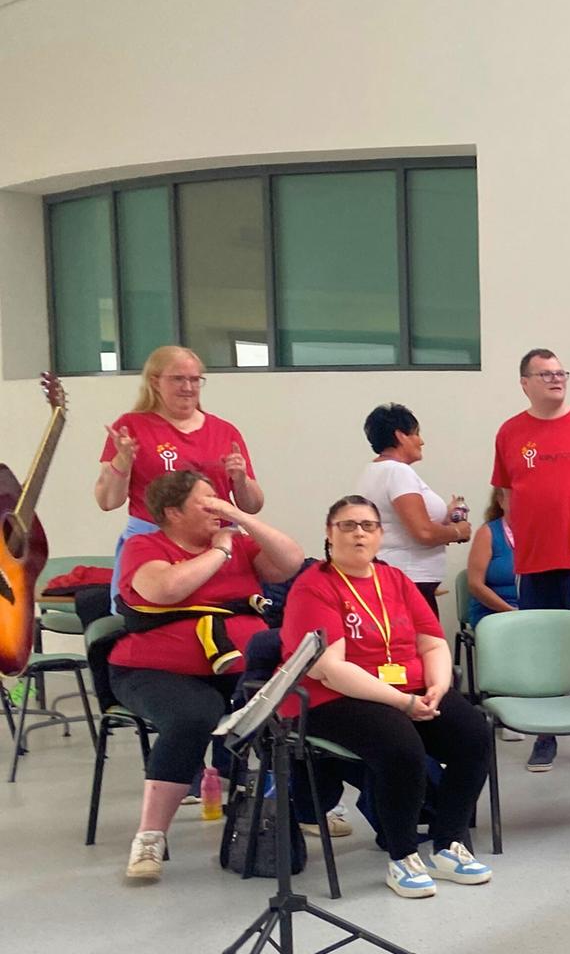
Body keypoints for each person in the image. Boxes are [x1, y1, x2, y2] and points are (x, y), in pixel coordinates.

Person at [282, 496, 494, 898]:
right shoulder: (314, 586)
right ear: (329, 534)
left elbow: (432, 642)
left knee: (473, 734)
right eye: (347, 525)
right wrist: (401, 703)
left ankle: (449, 843)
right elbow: (331, 668)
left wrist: (438, 687)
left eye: (367, 525)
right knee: (402, 747)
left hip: (410, 690)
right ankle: (402, 856)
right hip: (335, 698)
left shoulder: (394, 579)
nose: (358, 533)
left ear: (380, 535)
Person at [109, 472, 303, 881]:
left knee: (300, 702)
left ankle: (306, 808)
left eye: (218, 500)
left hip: (238, 667)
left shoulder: (240, 543)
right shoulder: (144, 546)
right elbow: (165, 589)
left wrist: (239, 517)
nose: (217, 507)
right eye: (206, 501)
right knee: (192, 718)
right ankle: (150, 836)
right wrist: (219, 552)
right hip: (153, 670)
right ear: (172, 512)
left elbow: (290, 562)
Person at [492, 348, 570, 772]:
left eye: (560, 372)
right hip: (536, 560)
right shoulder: (510, 432)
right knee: (544, 651)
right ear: (525, 383)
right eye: (545, 374)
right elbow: (506, 492)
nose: (556, 379)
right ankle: (545, 737)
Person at [95, 345, 265, 603]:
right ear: (155, 382)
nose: (188, 387)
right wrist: (123, 461)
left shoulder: (224, 430)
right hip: (154, 543)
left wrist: (240, 479)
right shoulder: (130, 427)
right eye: (178, 379)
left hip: (217, 541)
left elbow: (252, 505)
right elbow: (107, 502)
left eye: (195, 379)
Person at [356, 403, 471, 612]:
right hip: (409, 580)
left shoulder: (373, 471)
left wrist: (444, 517)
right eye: (416, 434)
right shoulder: (398, 472)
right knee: (425, 644)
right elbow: (423, 532)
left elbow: (402, 524)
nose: (422, 441)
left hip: (398, 577)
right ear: (401, 436)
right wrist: (457, 531)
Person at [464, 489, 518, 625]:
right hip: (494, 613)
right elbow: (475, 585)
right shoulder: (487, 533)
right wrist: (511, 611)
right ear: (500, 500)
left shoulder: (537, 533)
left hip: (532, 610)